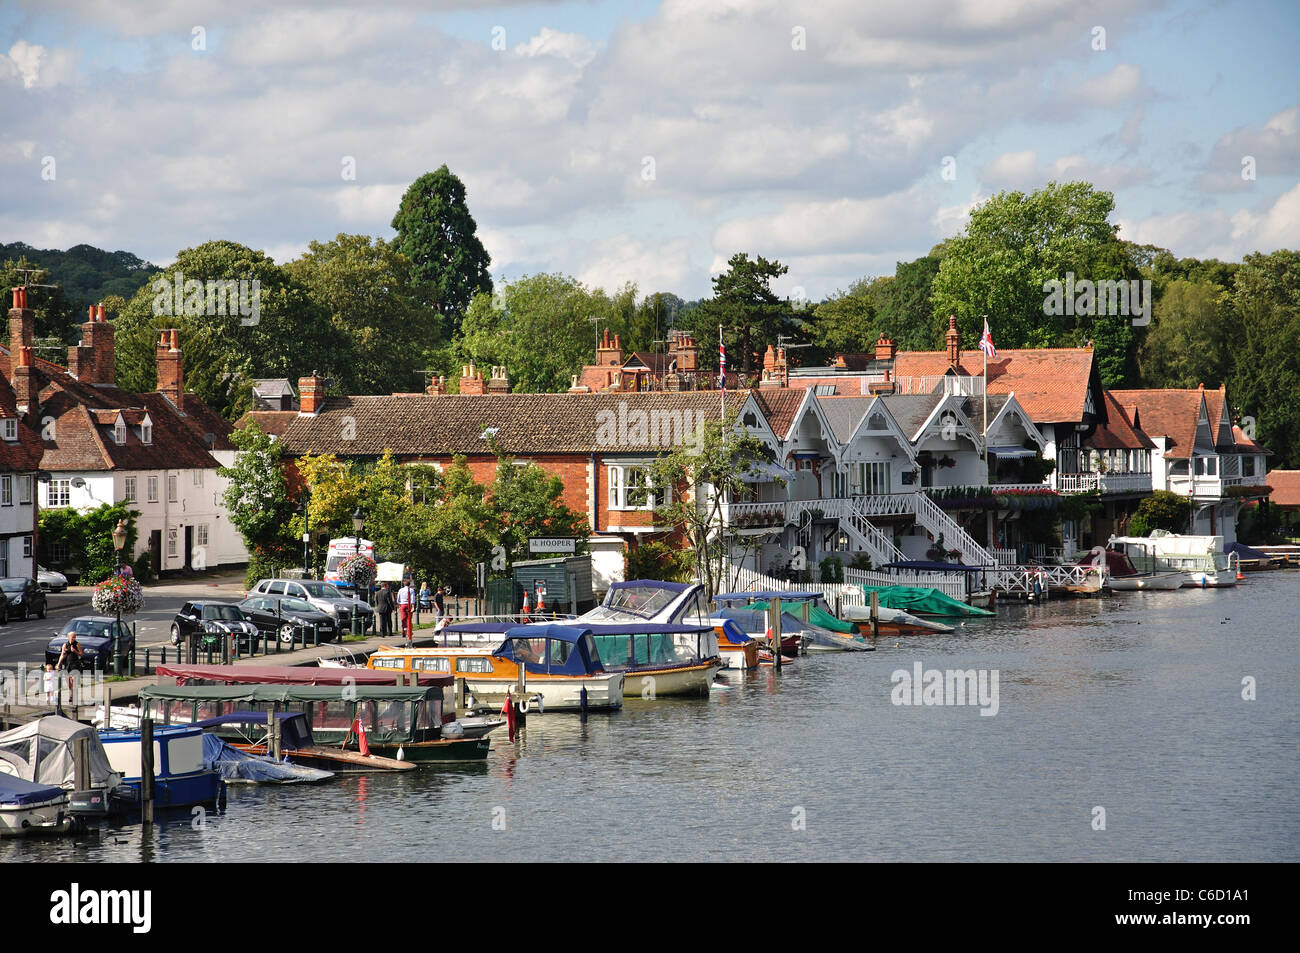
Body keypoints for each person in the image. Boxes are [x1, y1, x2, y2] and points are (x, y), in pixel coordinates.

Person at [397, 580, 414, 646]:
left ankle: (403, 631)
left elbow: (398, 599)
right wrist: (413, 606)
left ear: (404, 584)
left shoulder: (400, 590)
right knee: (409, 619)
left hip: (403, 605)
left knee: (403, 618)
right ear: (409, 584)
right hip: (408, 605)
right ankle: (409, 632)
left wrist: (399, 605)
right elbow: (413, 599)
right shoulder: (411, 590)